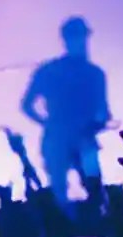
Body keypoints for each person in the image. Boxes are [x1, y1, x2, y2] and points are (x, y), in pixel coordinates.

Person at [20, 16, 112, 206]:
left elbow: (27, 105)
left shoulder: (89, 73)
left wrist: (49, 123)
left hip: (71, 137)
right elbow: (26, 105)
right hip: (70, 138)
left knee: (77, 190)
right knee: (81, 190)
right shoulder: (90, 73)